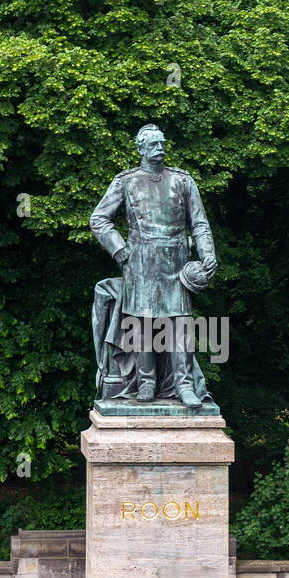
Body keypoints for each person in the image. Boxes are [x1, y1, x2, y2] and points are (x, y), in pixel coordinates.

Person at [89, 124, 217, 406]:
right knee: (143, 323)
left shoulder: (183, 181)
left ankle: (184, 386)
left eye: (162, 144)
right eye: (154, 145)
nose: (160, 149)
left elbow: (199, 223)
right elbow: (98, 219)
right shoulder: (126, 181)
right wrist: (120, 250)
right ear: (141, 148)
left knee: (180, 324)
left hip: (177, 262)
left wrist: (207, 254)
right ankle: (146, 383)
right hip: (141, 261)